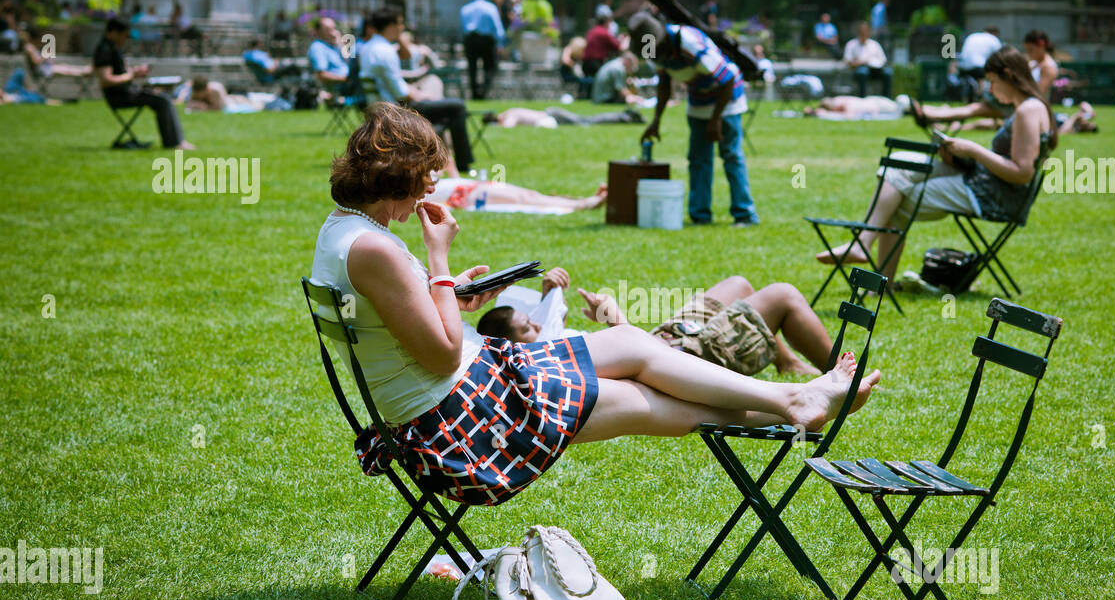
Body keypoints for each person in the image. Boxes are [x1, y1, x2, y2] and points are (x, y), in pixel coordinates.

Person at [312, 102, 879, 507]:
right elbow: (439, 357)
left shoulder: (342, 233)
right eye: (425, 179)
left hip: (460, 394)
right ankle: (796, 403)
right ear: (398, 175)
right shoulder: (373, 249)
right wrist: (438, 263)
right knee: (647, 397)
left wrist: (452, 294)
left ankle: (794, 399)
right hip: (462, 424)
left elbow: (402, 324)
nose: (431, 191)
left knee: (635, 348)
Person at [816, 46, 1054, 281]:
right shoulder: (1027, 107)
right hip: (982, 179)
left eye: (992, 81)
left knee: (898, 197)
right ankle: (864, 248)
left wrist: (973, 150)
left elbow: (1022, 173)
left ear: (1008, 75)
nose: (990, 89)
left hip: (991, 195)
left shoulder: (1027, 110)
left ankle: (873, 268)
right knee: (898, 162)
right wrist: (959, 156)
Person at [479, 271, 833, 377]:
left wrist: (548, 295)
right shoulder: (541, 362)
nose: (538, 328)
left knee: (739, 284)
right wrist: (614, 317)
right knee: (783, 295)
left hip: (668, 339)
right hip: (687, 360)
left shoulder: (545, 341)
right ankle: (843, 381)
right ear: (515, 347)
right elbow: (636, 358)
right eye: (528, 329)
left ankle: (786, 361)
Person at [632, 10, 759, 228]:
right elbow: (664, 84)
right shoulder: (653, 48)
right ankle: (700, 216)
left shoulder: (689, 43)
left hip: (726, 100)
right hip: (699, 101)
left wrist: (716, 120)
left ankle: (744, 214)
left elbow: (727, 79)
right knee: (698, 159)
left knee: (731, 155)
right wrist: (656, 121)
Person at [360, 9, 475, 172]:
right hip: (396, 110)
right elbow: (401, 93)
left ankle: (438, 153)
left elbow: (396, 79)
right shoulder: (385, 51)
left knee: (440, 109)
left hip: (380, 107)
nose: (402, 28)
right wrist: (423, 96)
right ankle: (463, 163)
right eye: (400, 24)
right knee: (457, 106)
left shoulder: (368, 47)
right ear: (391, 26)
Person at [94, 18, 192, 150]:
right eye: (124, 36)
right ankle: (174, 143)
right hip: (120, 96)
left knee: (162, 97)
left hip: (127, 92)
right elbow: (106, 80)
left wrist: (135, 72)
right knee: (163, 100)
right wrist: (131, 76)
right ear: (114, 32)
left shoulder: (113, 48)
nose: (125, 39)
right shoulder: (104, 50)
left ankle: (175, 142)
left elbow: (123, 73)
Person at [425, 165, 607, 213]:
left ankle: (581, 201)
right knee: (526, 199)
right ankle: (585, 204)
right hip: (467, 194)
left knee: (530, 195)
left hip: (469, 187)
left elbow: (447, 165)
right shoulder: (416, 186)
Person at [460, 0, 504, 100]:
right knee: (490, 67)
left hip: (471, 39)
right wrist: (500, 42)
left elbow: (463, 28)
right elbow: (497, 27)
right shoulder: (490, 7)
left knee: (472, 68)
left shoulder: (465, 8)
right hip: (486, 40)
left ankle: (474, 92)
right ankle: (483, 90)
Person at [482, 106, 642, 129]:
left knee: (586, 122)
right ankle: (624, 116)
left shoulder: (509, 115)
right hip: (551, 114)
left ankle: (624, 117)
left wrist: (496, 126)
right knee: (587, 120)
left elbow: (508, 126)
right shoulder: (510, 110)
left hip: (551, 116)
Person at [843, 21, 890, 97]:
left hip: (875, 70)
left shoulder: (875, 44)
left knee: (888, 72)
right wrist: (862, 62)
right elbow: (848, 62)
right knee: (863, 71)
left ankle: (886, 98)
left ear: (869, 32)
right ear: (858, 32)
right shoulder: (851, 44)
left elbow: (883, 60)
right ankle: (862, 98)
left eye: (865, 30)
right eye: (862, 31)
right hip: (859, 71)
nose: (863, 33)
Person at [307, 16, 350, 95]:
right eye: (328, 30)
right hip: (338, 88)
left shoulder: (333, 45)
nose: (332, 32)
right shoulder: (318, 47)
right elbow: (321, 75)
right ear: (318, 32)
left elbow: (349, 62)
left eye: (333, 28)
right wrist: (346, 79)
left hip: (346, 84)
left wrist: (340, 44)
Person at [581, 5, 624, 77]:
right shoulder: (604, 33)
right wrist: (623, 40)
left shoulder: (591, 31)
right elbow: (618, 47)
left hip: (585, 65)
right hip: (596, 65)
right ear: (606, 23)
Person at [1022, 30, 1059, 98]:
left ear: (1041, 45)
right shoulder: (1033, 63)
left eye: (1031, 50)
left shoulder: (1048, 66)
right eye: (1027, 50)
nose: (1028, 54)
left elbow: (1039, 93)